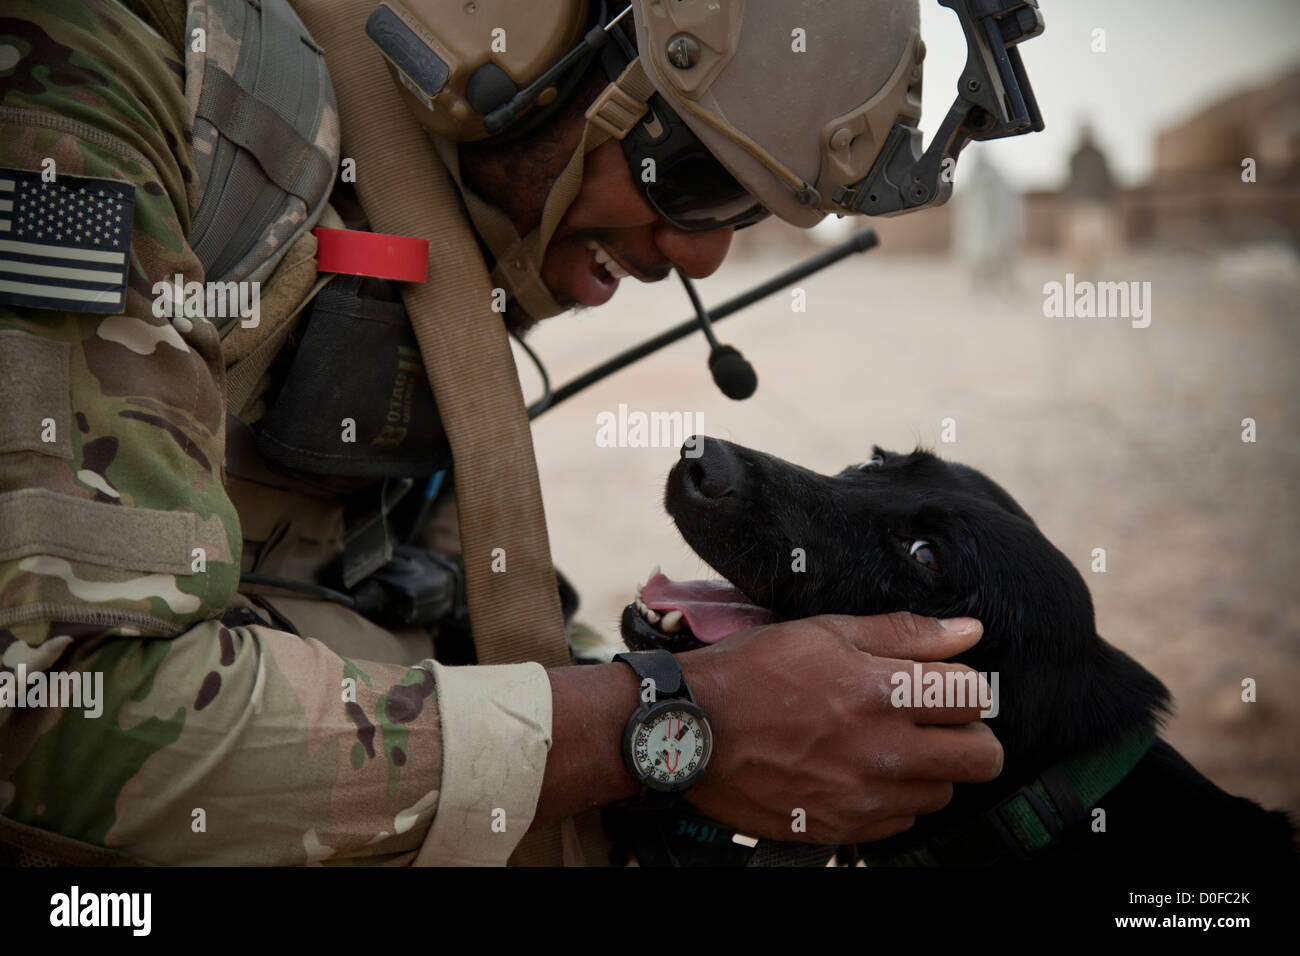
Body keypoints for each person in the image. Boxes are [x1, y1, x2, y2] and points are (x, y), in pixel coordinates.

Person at [0, 0, 1016, 866]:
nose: (701, 256)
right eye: (697, 177)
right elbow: (54, 717)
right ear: (533, 36)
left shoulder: (461, 216)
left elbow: (388, 589)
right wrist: (669, 722)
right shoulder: (98, 72)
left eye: (744, 212)